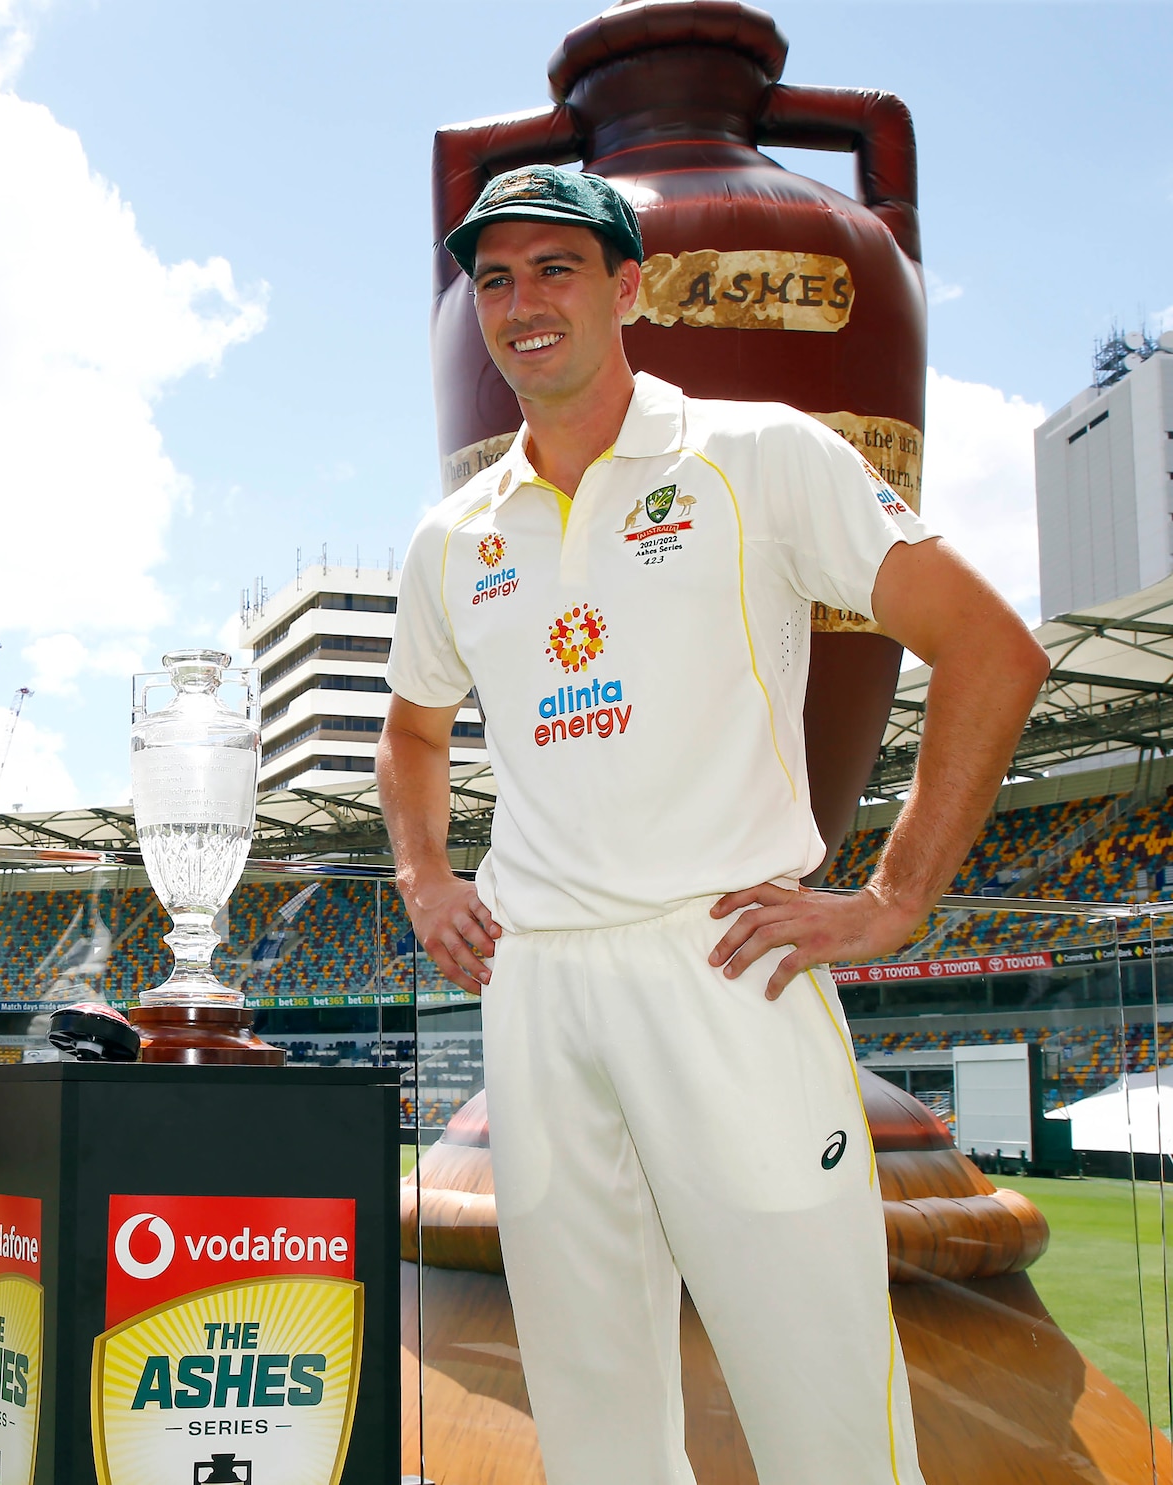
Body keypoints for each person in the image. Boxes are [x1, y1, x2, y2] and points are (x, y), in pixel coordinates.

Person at [377, 167, 1047, 1485]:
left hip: (727, 958)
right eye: (495, 278)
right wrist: (421, 873)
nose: (522, 302)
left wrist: (895, 896)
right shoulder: (452, 536)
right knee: (592, 1415)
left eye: (554, 267)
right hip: (538, 980)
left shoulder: (758, 456)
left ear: (630, 287)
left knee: (822, 1397)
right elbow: (410, 732)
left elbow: (990, 650)